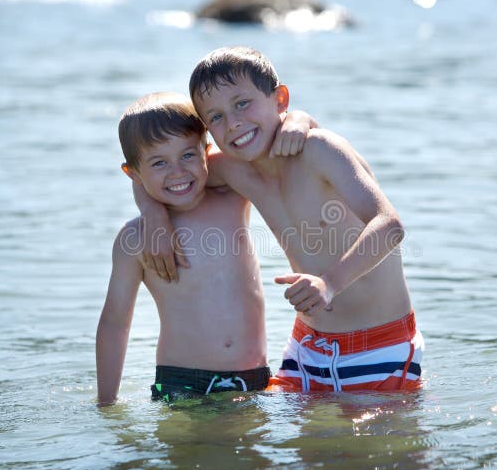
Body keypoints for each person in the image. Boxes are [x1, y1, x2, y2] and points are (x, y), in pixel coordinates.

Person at [138, 47, 424, 392]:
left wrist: (329, 283)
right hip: (306, 349)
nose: (233, 123)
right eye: (216, 117)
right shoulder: (230, 168)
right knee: (301, 444)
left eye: (242, 104)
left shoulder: (319, 150)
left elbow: (389, 225)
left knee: (374, 443)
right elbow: (158, 173)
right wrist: (154, 216)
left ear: (280, 98)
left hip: (378, 345)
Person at [96, 91, 307, 405]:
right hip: (182, 381)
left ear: (206, 152)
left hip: (254, 379)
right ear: (134, 174)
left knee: (253, 453)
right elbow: (115, 321)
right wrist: (106, 401)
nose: (178, 172)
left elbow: (270, 139)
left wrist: (299, 120)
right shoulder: (136, 238)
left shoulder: (232, 196)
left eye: (188, 155)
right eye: (159, 163)